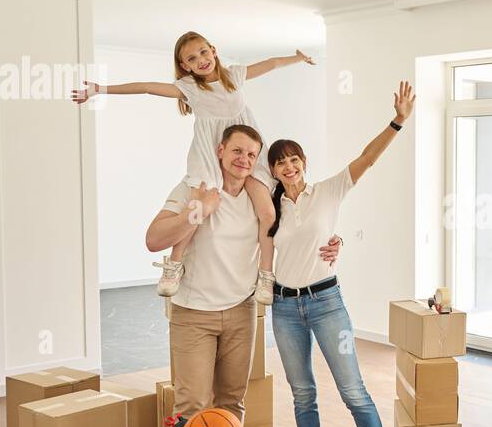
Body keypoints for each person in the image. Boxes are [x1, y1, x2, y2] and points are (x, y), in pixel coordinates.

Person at [74, 31, 314, 303]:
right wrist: (101, 89)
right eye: (191, 58)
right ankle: (175, 264)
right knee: (201, 207)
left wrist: (296, 58)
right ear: (185, 66)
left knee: (268, 212)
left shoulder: (234, 75)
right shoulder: (189, 88)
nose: (200, 59)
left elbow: (271, 64)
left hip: (247, 149)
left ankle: (265, 275)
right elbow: (146, 87)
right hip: (211, 154)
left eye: (203, 52)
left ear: (213, 50)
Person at [270, 81, 417, 427]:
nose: (289, 167)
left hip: (326, 302)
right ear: (274, 171)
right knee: (302, 393)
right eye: (280, 164)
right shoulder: (269, 207)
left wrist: (398, 121)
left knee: (353, 390)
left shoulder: (330, 190)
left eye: (293, 159)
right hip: (284, 307)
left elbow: (368, 158)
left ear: (303, 161)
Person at [144, 124, 340, 423]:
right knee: (192, 406)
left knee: (232, 403)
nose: (244, 159)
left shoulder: (262, 196)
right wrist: (199, 210)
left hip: (241, 311)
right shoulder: (194, 188)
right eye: (237, 151)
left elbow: (304, 225)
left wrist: (337, 241)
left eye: (251, 154)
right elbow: (154, 239)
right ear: (220, 151)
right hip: (194, 313)